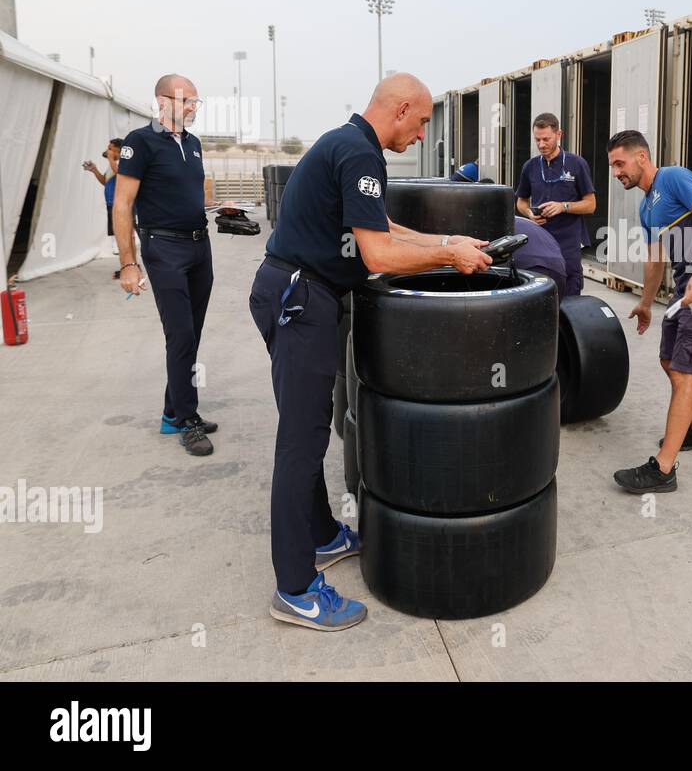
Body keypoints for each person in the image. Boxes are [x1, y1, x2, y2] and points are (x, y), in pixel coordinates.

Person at [248, 73, 492, 632]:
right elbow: (379, 253)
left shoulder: (351, 146)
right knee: (302, 442)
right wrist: (447, 261)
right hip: (301, 300)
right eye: (424, 120)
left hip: (301, 295)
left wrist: (448, 242)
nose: (423, 131)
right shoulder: (358, 152)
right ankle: (295, 587)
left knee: (304, 428)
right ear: (401, 108)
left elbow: (382, 225)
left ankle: (322, 534)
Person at [607, 130, 692, 493]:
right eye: (613, 165)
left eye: (620, 163)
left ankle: (663, 470)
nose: (616, 172)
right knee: (668, 360)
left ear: (641, 156)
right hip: (684, 292)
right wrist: (646, 303)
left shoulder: (674, 178)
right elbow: (655, 259)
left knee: (683, 370)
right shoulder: (646, 205)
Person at [114, 76, 218, 456]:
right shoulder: (139, 142)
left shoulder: (193, 144)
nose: (193, 107)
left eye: (196, 101)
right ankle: (187, 420)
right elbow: (122, 204)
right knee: (180, 335)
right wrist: (129, 263)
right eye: (187, 100)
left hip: (199, 247)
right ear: (162, 101)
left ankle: (172, 412)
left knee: (191, 333)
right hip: (164, 249)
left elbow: (186, 195)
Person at [515, 113, 596, 297]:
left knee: (570, 293)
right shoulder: (530, 167)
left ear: (559, 134)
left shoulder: (577, 164)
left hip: (568, 242)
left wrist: (563, 206)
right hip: (540, 243)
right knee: (540, 291)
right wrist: (529, 214)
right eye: (537, 140)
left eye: (546, 139)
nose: (542, 145)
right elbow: (521, 201)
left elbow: (591, 205)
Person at [83, 138, 123, 277]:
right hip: (111, 204)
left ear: (119, 150)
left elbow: (119, 171)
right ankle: (126, 266)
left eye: (111, 148)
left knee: (123, 238)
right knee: (118, 238)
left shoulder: (122, 162)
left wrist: (111, 158)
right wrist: (94, 170)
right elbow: (105, 181)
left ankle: (129, 267)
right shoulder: (112, 164)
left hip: (119, 205)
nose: (108, 151)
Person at [510, 215, 569, 296]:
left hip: (528, 266)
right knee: (553, 306)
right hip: (557, 267)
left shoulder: (498, 223)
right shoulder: (525, 221)